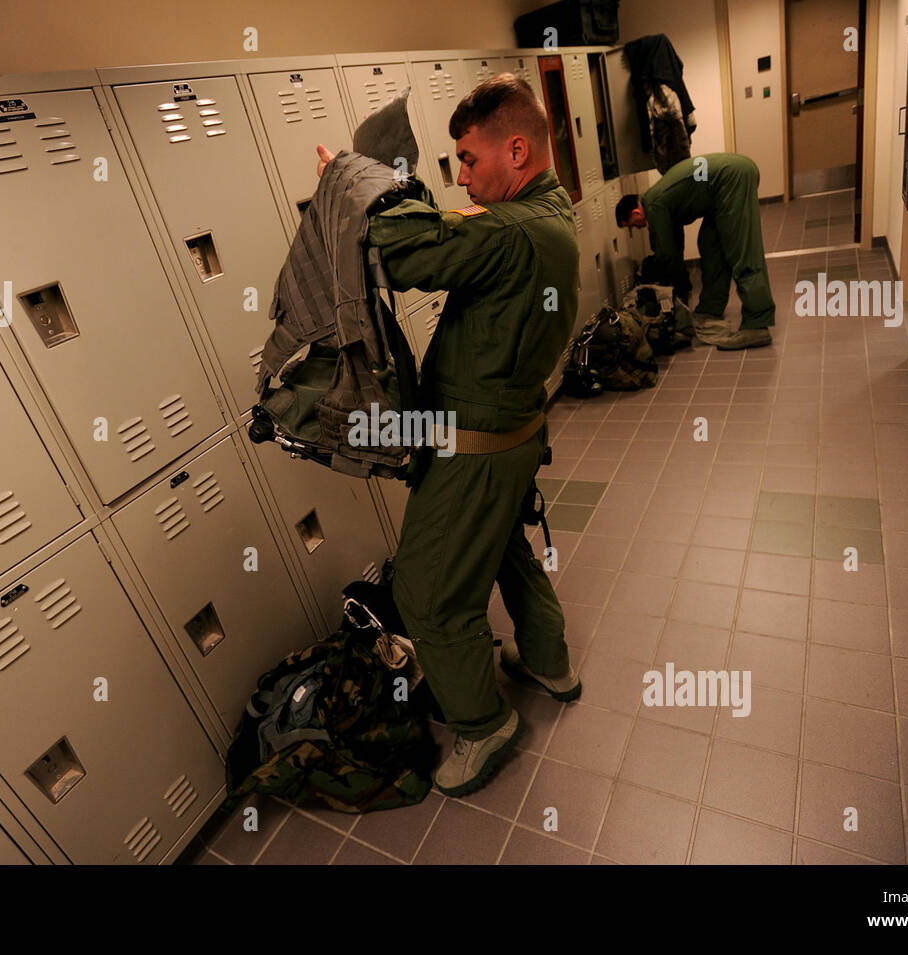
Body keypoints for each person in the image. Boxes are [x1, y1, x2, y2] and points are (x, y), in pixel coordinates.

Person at [313, 74, 582, 797]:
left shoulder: (513, 232)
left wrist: (357, 183)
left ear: (516, 149)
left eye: (468, 158)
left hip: (476, 446)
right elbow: (456, 236)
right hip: (513, 429)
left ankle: (481, 723)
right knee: (500, 548)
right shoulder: (549, 210)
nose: (460, 175)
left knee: (430, 591)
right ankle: (550, 660)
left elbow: (406, 254)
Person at [616, 152, 775, 349]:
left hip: (732, 179)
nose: (637, 228)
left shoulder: (654, 205)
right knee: (710, 245)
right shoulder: (656, 200)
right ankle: (711, 306)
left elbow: (667, 255)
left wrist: (665, 289)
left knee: (742, 251)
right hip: (722, 187)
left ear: (636, 213)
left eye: (633, 224)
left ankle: (758, 324)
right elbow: (674, 244)